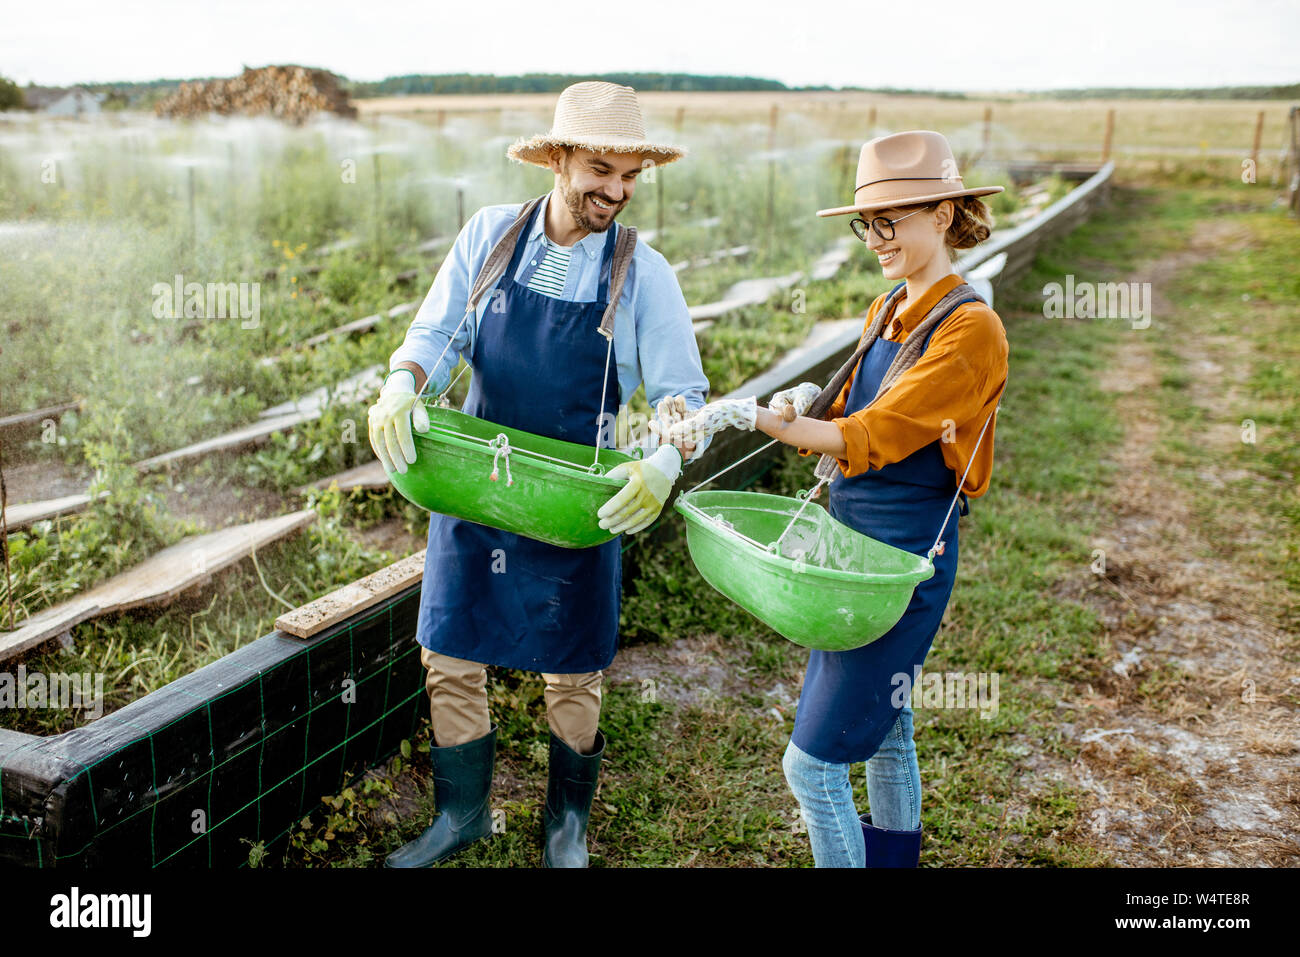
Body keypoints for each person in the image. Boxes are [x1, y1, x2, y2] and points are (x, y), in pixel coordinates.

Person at [367, 81, 710, 868]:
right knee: (450, 646)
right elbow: (440, 333)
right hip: (475, 483)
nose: (616, 192)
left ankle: (566, 827)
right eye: (600, 169)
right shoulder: (491, 236)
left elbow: (683, 398)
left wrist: (663, 459)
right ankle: (463, 815)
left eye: (630, 176)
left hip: (571, 498)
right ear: (556, 158)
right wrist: (403, 381)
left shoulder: (642, 273)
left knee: (572, 666)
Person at [667, 130, 1008, 867]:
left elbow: (873, 433)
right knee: (889, 730)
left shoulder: (972, 329)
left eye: (891, 220)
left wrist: (750, 416)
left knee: (810, 767)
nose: (875, 239)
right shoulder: (889, 308)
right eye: (867, 223)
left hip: (898, 563)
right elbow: (848, 403)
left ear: (943, 214)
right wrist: (797, 401)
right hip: (849, 548)